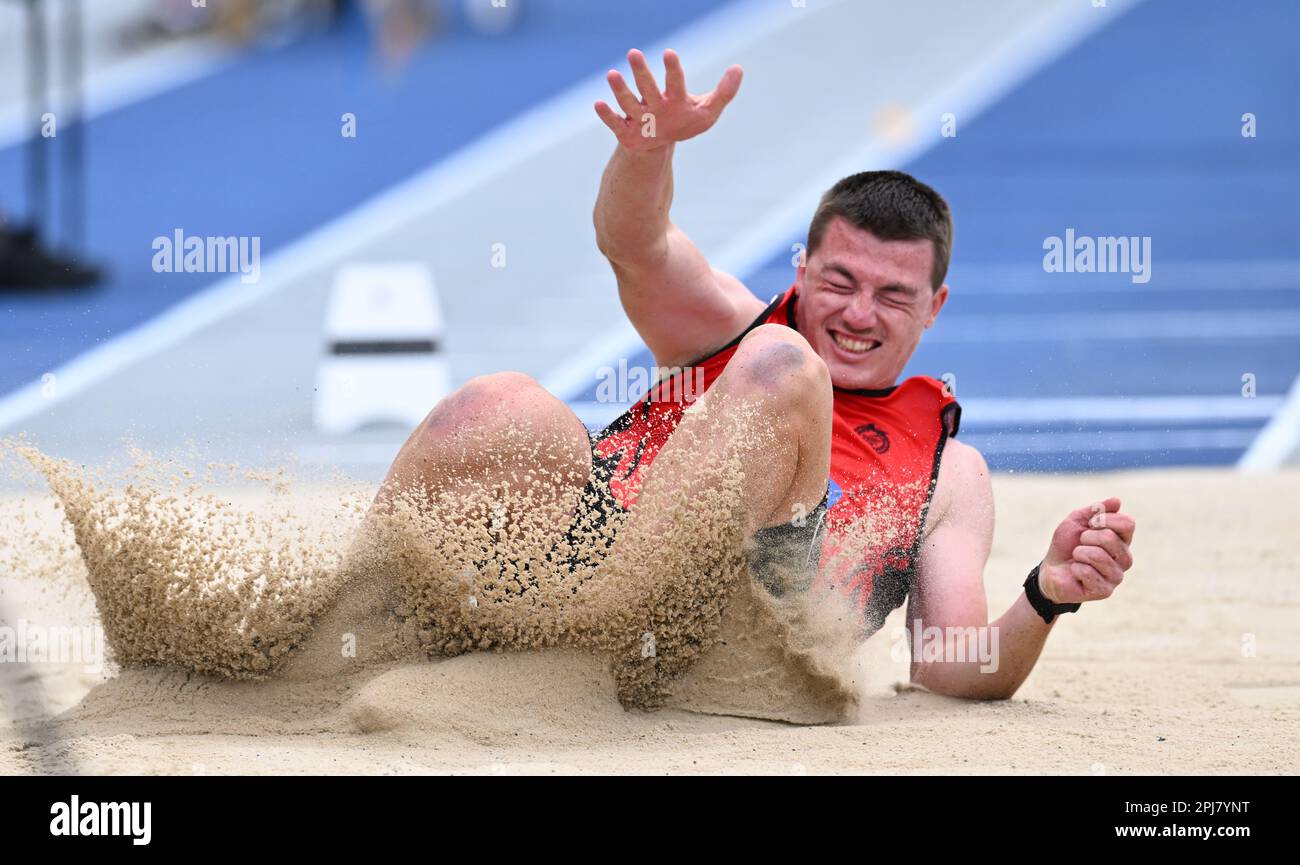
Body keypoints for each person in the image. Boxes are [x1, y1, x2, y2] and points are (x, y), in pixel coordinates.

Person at [376, 49, 1137, 700]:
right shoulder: (729, 324)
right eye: (839, 282)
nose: (859, 314)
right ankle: (342, 618)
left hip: (729, 633)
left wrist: (1046, 593)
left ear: (935, 306)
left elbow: (950, 664)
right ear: (801, 270)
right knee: (500, 402)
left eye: (893, 295)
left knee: (785, 365)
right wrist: (647, 153)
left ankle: (612, 633)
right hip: (583, 561)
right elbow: (634, 241)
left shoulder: (950, 474)